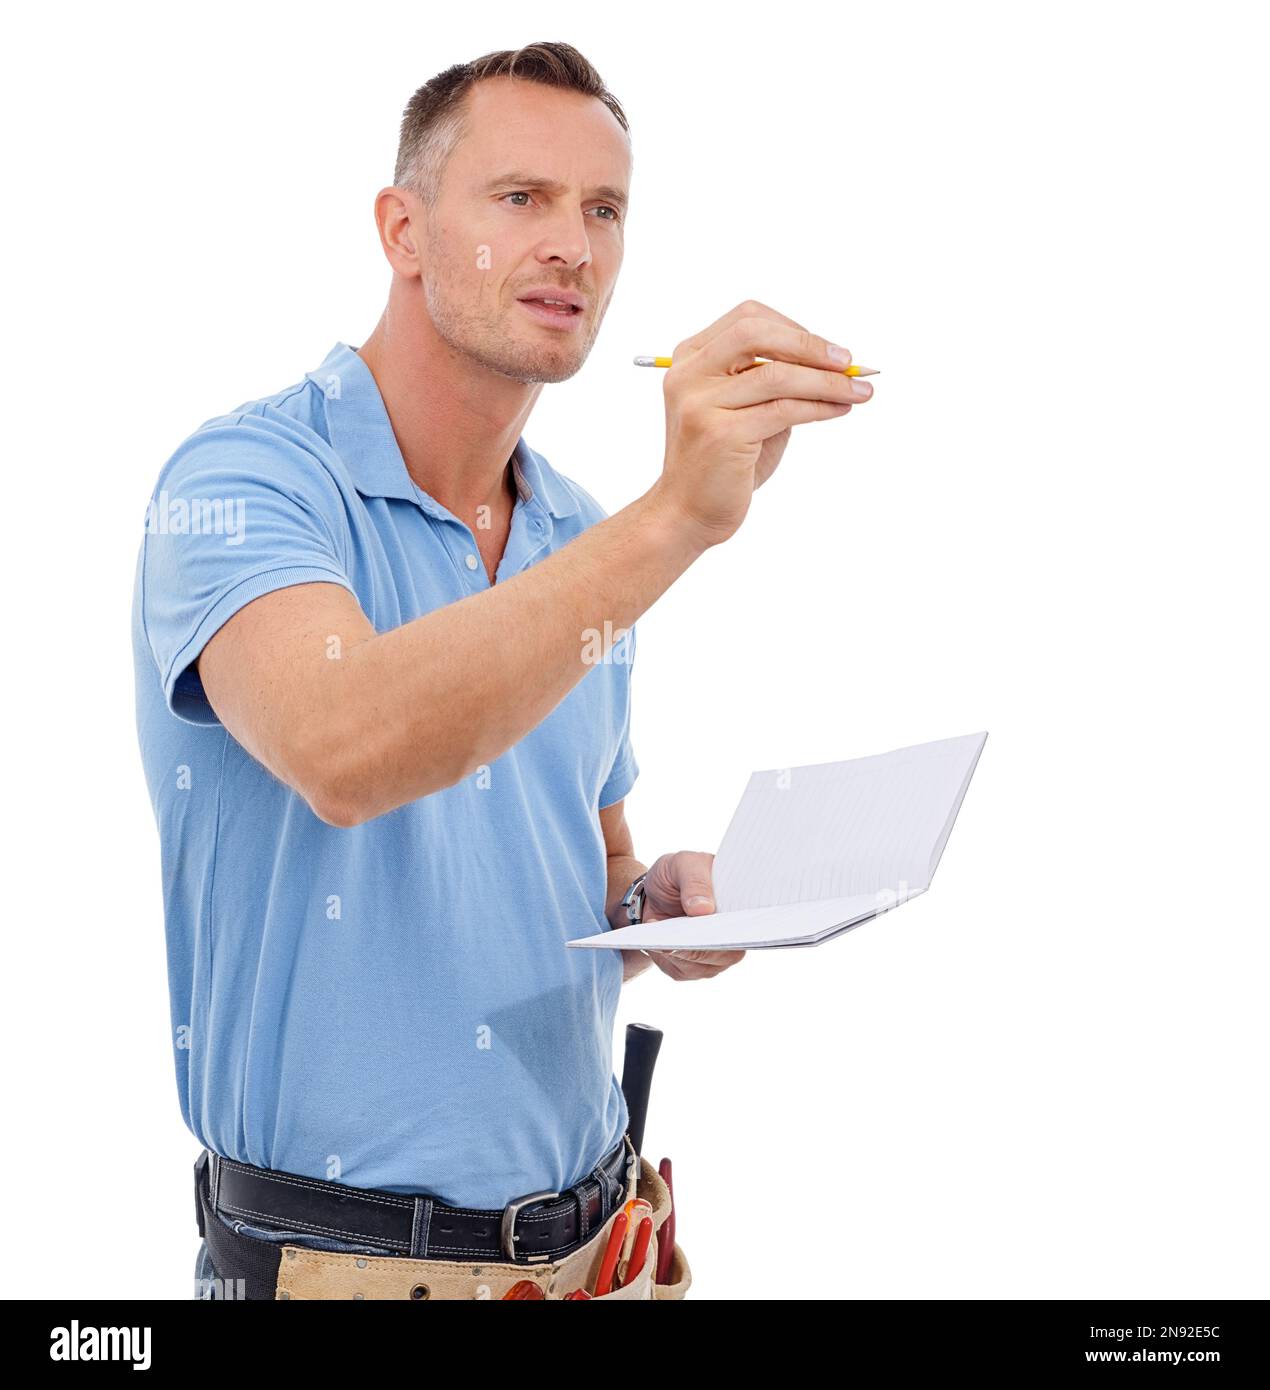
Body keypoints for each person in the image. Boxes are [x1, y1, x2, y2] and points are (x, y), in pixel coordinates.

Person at [132, 39, 873, 1301]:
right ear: (404, 229)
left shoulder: (577, 535)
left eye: (603, 211)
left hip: (600, 1253)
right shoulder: (242, 484)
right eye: (521, 199)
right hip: (343, 1273)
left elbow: (592, 868)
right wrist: (677, 520)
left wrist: (660, 912)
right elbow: (346, 748)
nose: (573, 248)